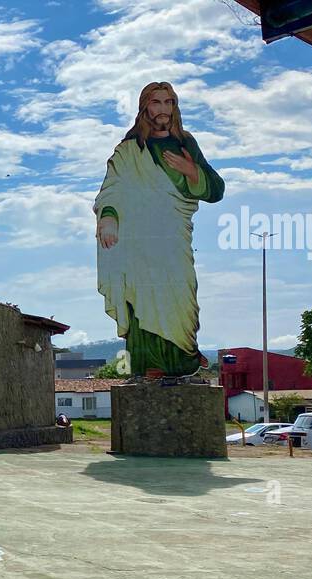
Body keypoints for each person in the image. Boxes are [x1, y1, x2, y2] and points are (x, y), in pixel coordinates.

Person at [94, 81, 224, 378]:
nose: (163, 109)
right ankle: (148, 363)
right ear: (145, 108)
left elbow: (216, 190)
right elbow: (111, 189)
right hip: (138, 239)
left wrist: (192, 171)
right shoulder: (129, 150)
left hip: (173, 233)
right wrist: (109, 218)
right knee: (142, 294)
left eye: (169, 102)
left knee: (181, 292)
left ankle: (183, 357)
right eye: (156, 102)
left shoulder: (185, 143)